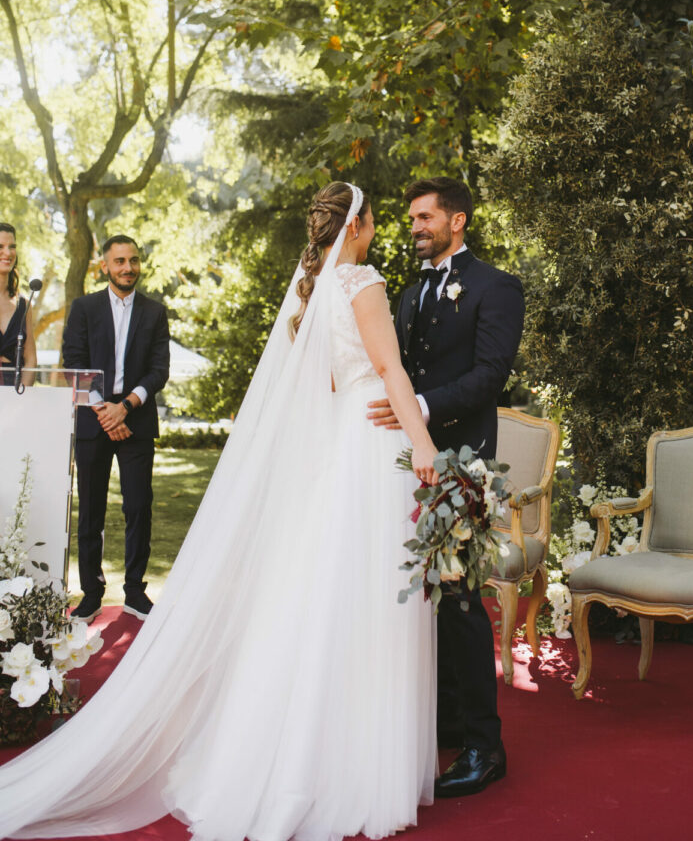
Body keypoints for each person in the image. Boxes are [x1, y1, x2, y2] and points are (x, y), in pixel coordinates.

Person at [0, 183, 438, 841]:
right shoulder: (361, 280)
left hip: (343, 442)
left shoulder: (311, 292)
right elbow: (392, 371)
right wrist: (426, 449)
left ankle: (302, 751)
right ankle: (355, 760)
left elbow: (322, 384)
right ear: (362, 225)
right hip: (372, 446)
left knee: (329, 594)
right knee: (368, 596)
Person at [368, 176, 524, 798]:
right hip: (408, 463)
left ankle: (487, 748)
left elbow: (490, 377)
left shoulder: (496, 287)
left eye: (425, 217)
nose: (414, 227)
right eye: (410, 218)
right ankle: (446, 721)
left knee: (460, 602)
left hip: (464, 463)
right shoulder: (407, 293)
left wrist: (422, 408)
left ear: (457, 221)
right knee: (423, 596)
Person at [62, 234, 170, 623]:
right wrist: (106, 413)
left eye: (134, 260)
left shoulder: (155, 311)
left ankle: (135, 592)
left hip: (136, 420)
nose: (128, 268)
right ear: (105, 266)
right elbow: (72, 361)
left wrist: (125, 407)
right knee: (90, 510)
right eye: (120, 261)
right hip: (94, 420)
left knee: (139, 506)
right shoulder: (84, 308)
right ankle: (91, 593)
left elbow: (160, 371)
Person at [0, 221, 37, 387]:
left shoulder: (24, 304)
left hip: (14, 390)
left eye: (12, 246)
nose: (7, 253)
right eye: (0, 246)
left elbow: (30, 360)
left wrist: (21, 399)